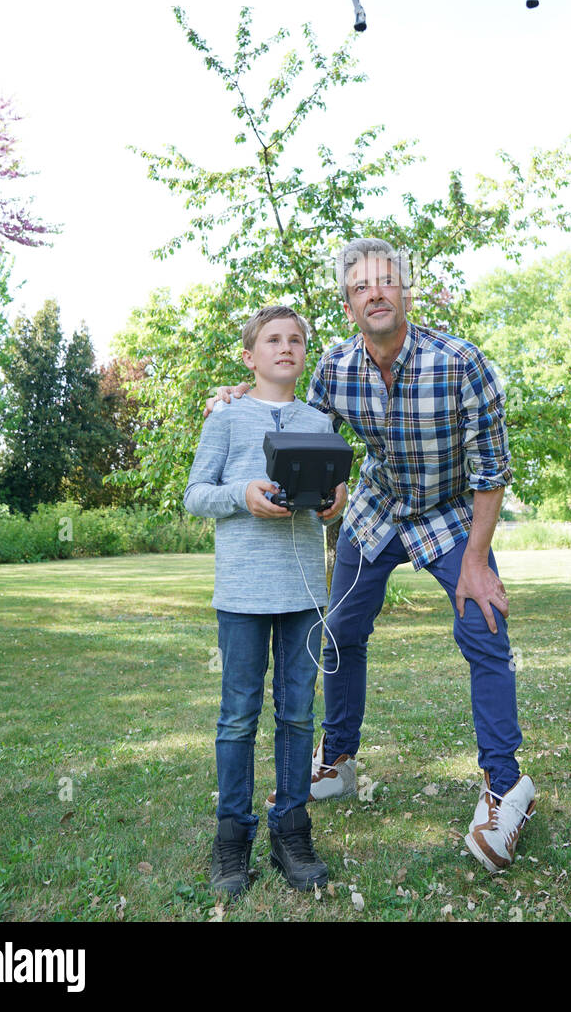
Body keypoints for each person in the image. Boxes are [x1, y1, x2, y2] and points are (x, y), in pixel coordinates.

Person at [205, 239, 535, 873]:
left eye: (386, 282)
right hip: (379, 509)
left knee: (484, 625)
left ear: (407, 292)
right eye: (361, 287)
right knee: (339, 631)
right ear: (348, 303)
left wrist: (475, 560)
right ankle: (339, 758)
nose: (375, 293)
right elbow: (298, 423)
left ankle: (504, 786)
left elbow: (492, 471)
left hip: (451, 513)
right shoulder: (334, 368)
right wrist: (236, 394)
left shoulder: (463, 364)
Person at [184, 304, 347, 899]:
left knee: (298, 714)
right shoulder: (226, 418)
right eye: (274, 340)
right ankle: (232, 838)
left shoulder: (319, 421)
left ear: (305, 353)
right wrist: (241, 495)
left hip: (303, 590)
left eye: (297, 340)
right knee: (237, 715)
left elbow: (332, 491)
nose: (287, 347)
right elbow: (196, 494)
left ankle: (291, 829)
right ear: (250, 357)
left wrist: (337, 502)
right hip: (243, 593)